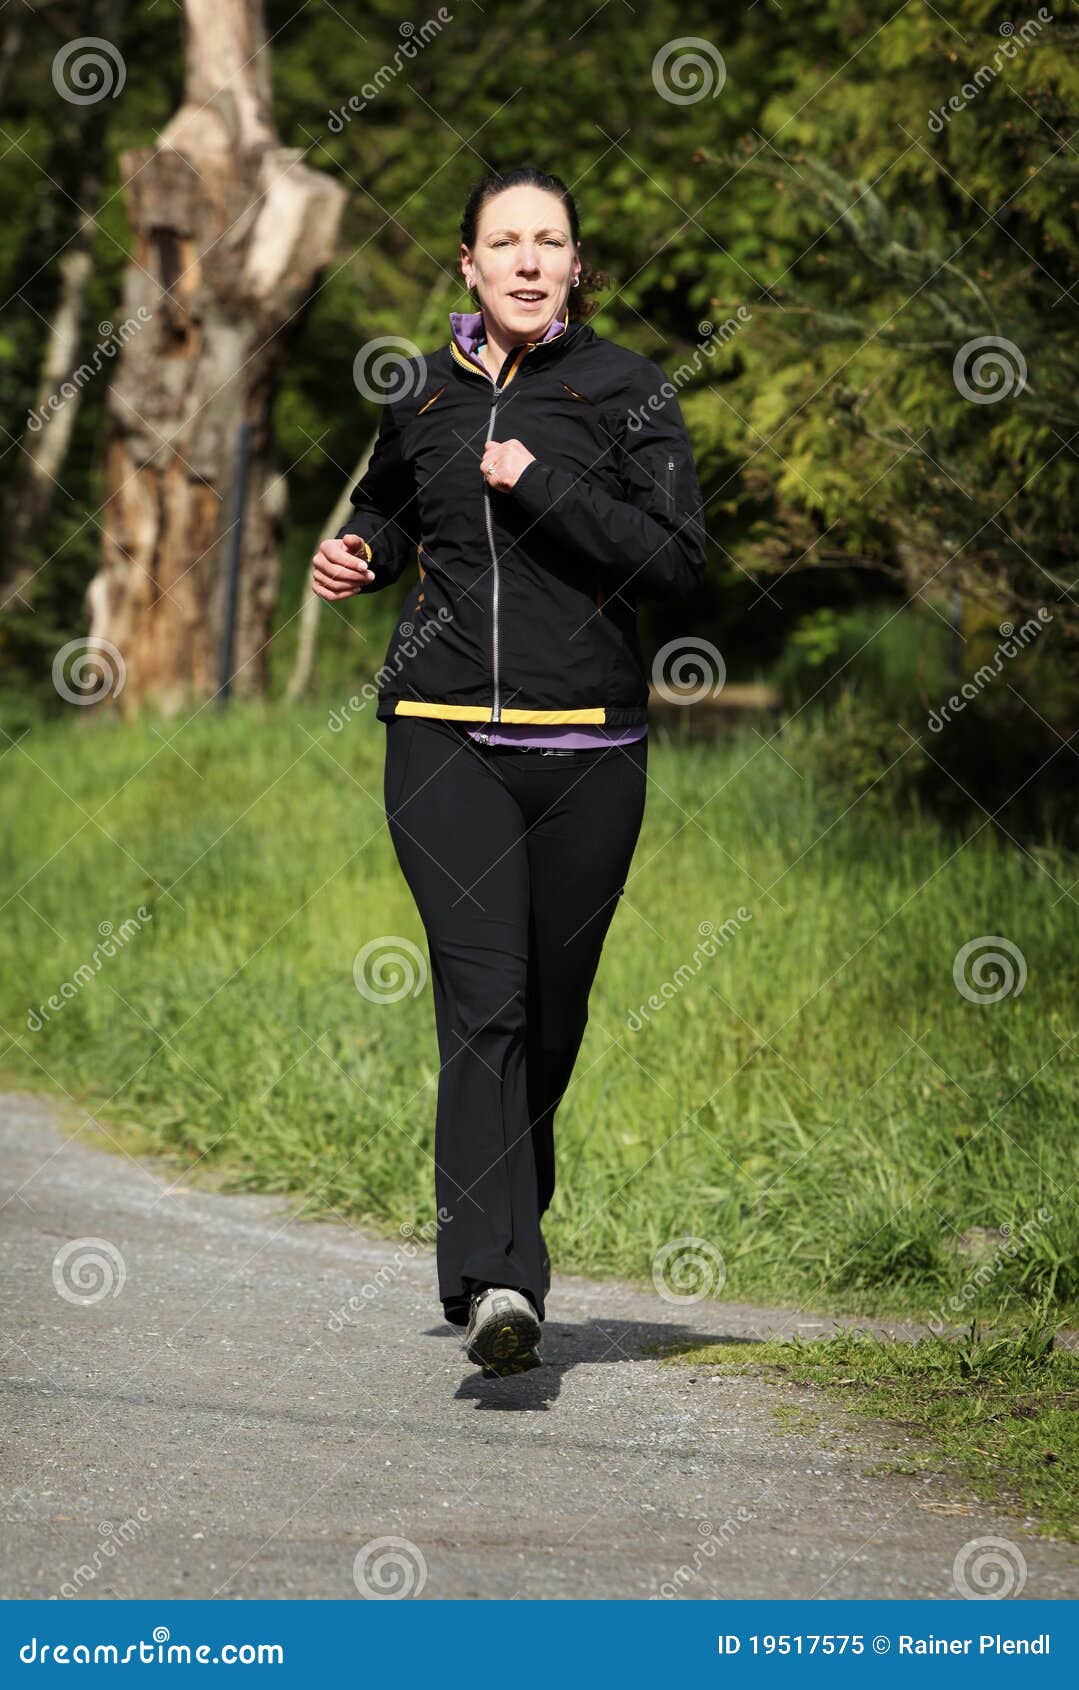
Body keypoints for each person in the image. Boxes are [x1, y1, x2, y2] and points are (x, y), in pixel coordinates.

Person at [311, 166, 707, 1379]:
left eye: (549, 242)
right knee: (483, 999)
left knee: (549, 1018)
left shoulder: (627, 390)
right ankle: (500, 1281)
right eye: (504, 241)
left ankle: (486, 1241)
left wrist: (537, 479)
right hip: (440, 734)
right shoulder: (420, 389)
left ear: (577, 265)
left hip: (589, 747)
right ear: (468, 264)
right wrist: (359, 550)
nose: (527, 261)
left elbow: (676, 563)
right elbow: (391, 508)